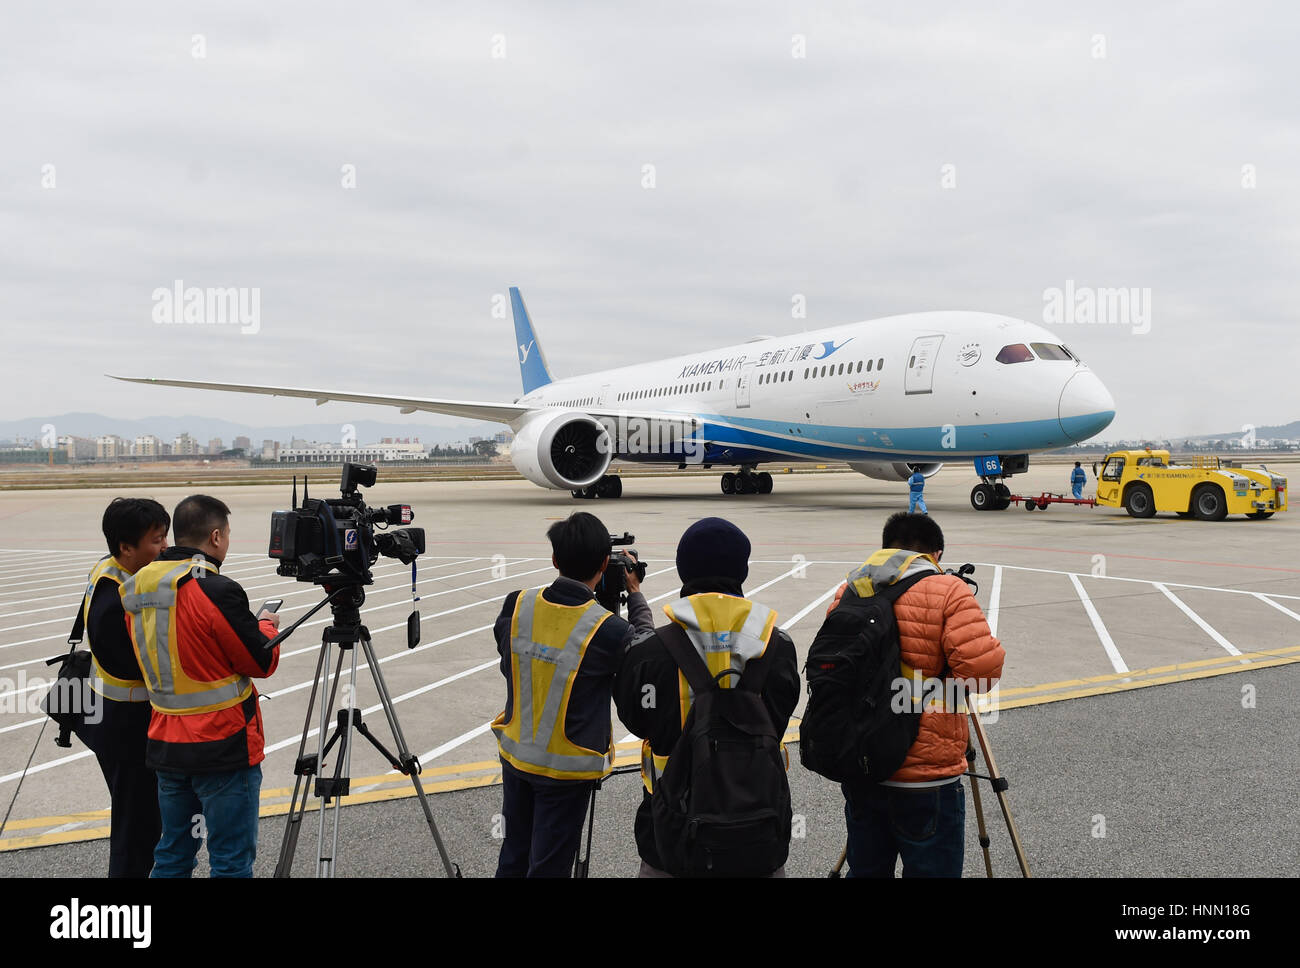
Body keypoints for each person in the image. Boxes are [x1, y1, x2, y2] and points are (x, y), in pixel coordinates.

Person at [614, 517, 800, 877]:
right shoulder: (777, 645)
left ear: (684, 571)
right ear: (741, 571)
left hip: (670, 831)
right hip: (757, 825)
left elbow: (636, 720)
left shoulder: (650, 651)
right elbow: (780, 714)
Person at [827, 512, 1004, 877]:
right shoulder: (948, 590)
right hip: (928, 776)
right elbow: (982, 675)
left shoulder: (850, 589)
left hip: (863, 766)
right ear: (935, 554)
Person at [119, 495, 281, 878]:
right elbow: (261, 662)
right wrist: (266, 627)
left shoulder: (138, 587)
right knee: (229, 860)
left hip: (166, 744)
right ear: (215, 537)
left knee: (173, 853)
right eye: (226, 534)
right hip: (221, 747)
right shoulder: (215, 590)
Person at [490, 511, 652, 877]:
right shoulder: (609, 629)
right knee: (550, 865)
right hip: (566, 770)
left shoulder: (517, 603)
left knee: (514, 854)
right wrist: (636, 593)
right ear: (602, 565)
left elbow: (509, 659)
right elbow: (648, 650)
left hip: (516, 756)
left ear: (554, 560)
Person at [78, 498, 171, 877]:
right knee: (137, 830)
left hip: (114, 720)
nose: (165, 547)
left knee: (141, 822)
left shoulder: (111, 571)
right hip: (127, 729)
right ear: (125, 548)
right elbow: (148, 665)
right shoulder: (114, 605)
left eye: (166, 537)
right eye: (156, 540)